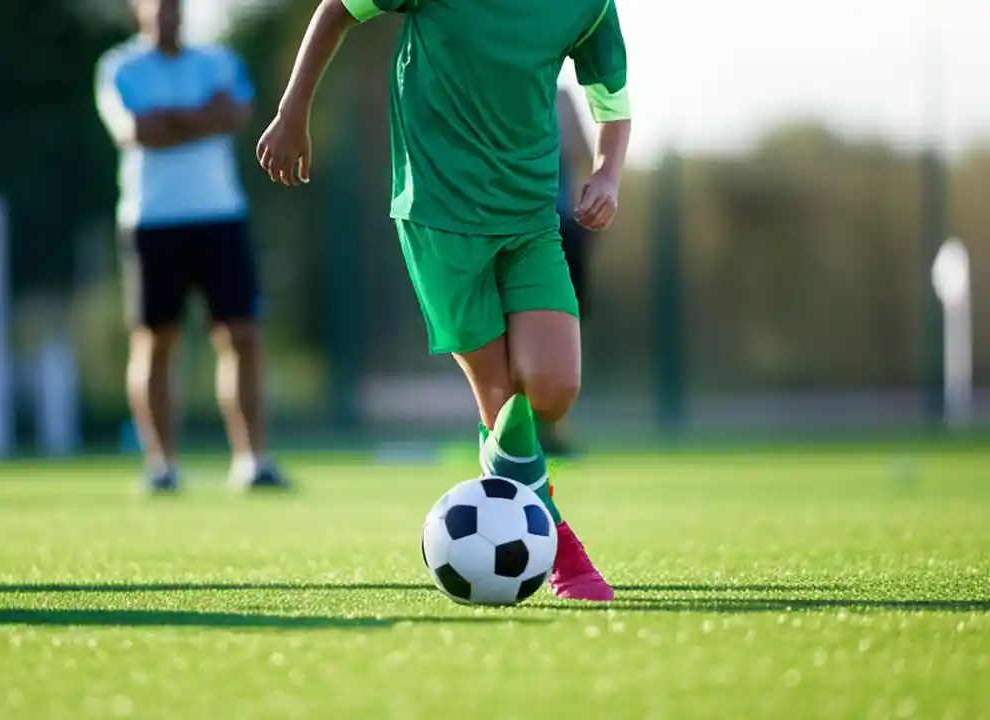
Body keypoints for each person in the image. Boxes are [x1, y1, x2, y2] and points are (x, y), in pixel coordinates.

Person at [256, 0, 631, 600]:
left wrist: (607, 174)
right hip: (438, 216)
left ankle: (508, 483)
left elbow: (610, 95)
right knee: (502, 397)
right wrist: (292, 111)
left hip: (531, 218)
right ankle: (564, 554)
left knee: (554, 388)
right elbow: (337, 11)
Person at [95, 0, 288, 493]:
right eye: (157, 6)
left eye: (174, 5)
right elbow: (135, 131)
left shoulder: (218, 61)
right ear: (137, 10)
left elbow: (233, 115)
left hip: (220, 217)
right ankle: (162, 466)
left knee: (242, 335)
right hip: (152, 221)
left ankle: (253, 461)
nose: (167, 13)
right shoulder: (119, 67)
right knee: (156, 342)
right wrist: (199, 117)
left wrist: (170, 121)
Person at [538, 87, 597, 456]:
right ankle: (512, 430)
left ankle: (552, 430)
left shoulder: (560, 98)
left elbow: (586, 157)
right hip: (514, 228)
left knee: (562, 332)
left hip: (561, 230)